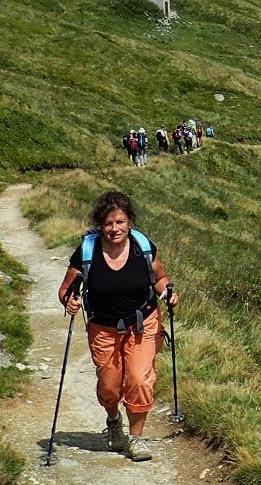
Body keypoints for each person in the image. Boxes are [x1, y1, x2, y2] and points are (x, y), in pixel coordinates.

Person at [56, 191, 181, 462]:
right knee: (110, 385)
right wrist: (70, 302)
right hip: (103, 327)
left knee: (139, 378)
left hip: (143, 323)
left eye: (121, 222)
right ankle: (113, 421)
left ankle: (136, 439)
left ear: (130, 222)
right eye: (109, 223)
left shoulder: (143, 246)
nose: (115, 229)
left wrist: (167, 293)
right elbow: (66, 290)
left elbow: (160, 278)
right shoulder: (87, 252)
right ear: (101, 225)